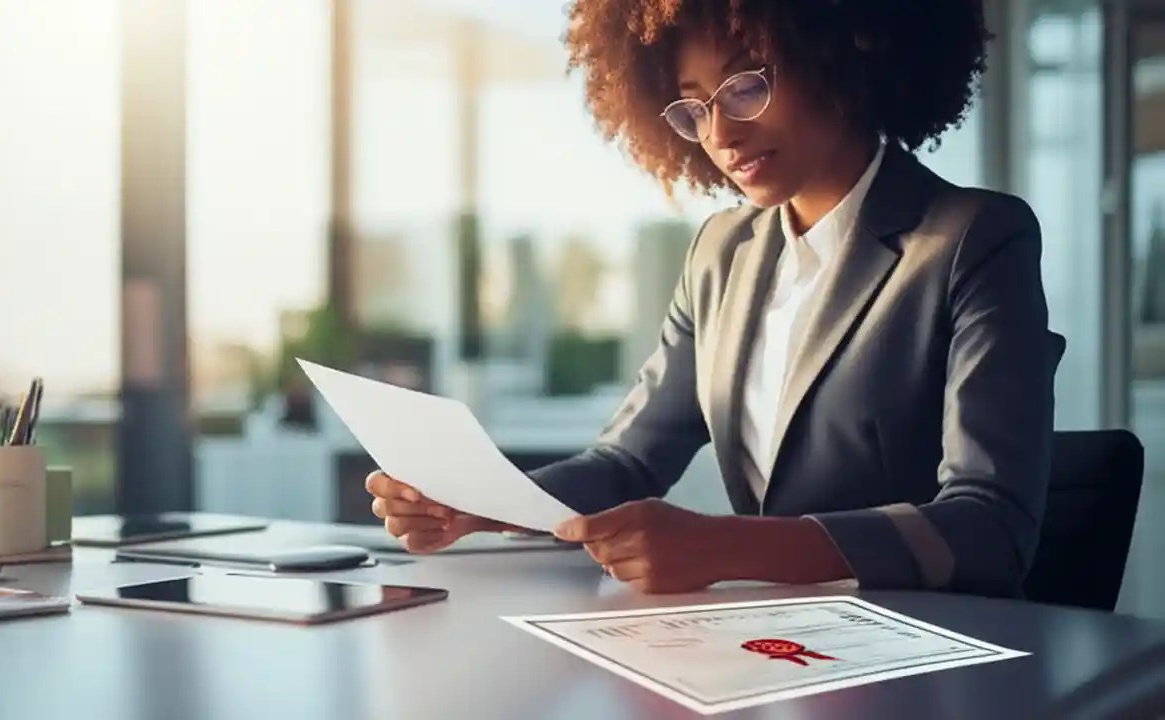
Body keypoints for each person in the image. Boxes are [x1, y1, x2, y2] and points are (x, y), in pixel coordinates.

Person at [366, 0, 1061, 598]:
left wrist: (727, 549)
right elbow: (627, 463)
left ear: (847, 47)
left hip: (929, 652)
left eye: (745, 86)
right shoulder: (720, 254)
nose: (719, 135)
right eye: (693, 107)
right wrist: (482, 503)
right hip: (771, 647)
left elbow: (990, 527)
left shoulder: (972, 239)